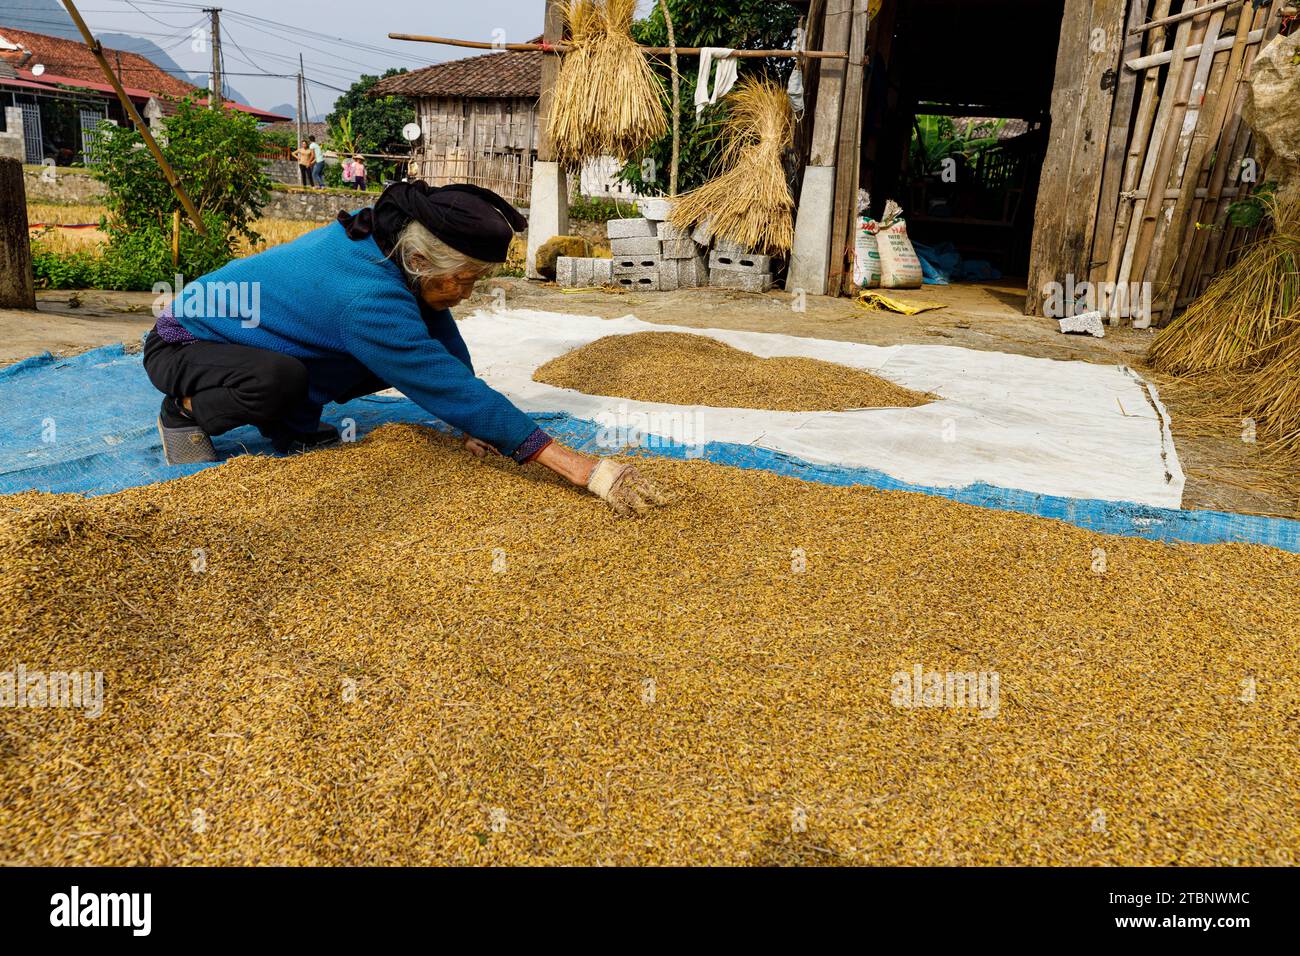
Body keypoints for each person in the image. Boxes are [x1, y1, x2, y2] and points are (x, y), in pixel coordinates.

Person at [144, 181, 665, 517]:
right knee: (279, 380)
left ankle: (291, 421)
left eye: (476, 282)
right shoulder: (366, 297)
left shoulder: (394, 236)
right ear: (418, 261)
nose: (466, 294)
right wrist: (579, 468)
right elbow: (437, 378)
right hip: (192, 344)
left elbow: (440, 347)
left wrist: (468, 420)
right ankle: (185, 411)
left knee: (372, 362)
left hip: (270, 338)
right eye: (463, 281)